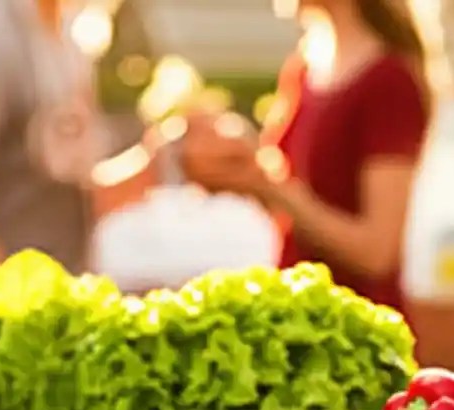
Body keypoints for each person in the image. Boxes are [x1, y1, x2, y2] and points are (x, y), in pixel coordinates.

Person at [181, 0, 431, 317]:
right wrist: (236, 168)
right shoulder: (304, 68)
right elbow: (297, 206)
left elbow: (377, 251)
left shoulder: (389, 82)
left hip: (353, 329)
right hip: (299, 317)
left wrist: (272, 189)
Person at [0, 0, 155, 289]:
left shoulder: (64, 35)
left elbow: (62, 196)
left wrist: (156, 166)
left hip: (47, 322)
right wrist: (38, 309)